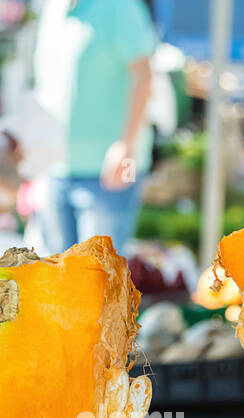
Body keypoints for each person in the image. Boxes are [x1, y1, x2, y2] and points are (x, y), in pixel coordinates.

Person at [31, 0, 157, 256]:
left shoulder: (120, 6)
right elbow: (44, 88)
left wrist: (126, 144)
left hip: (106, 174)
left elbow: (143, 76)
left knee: (97, 280)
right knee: (58, 283)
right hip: (54, 169)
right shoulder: (52, 9)